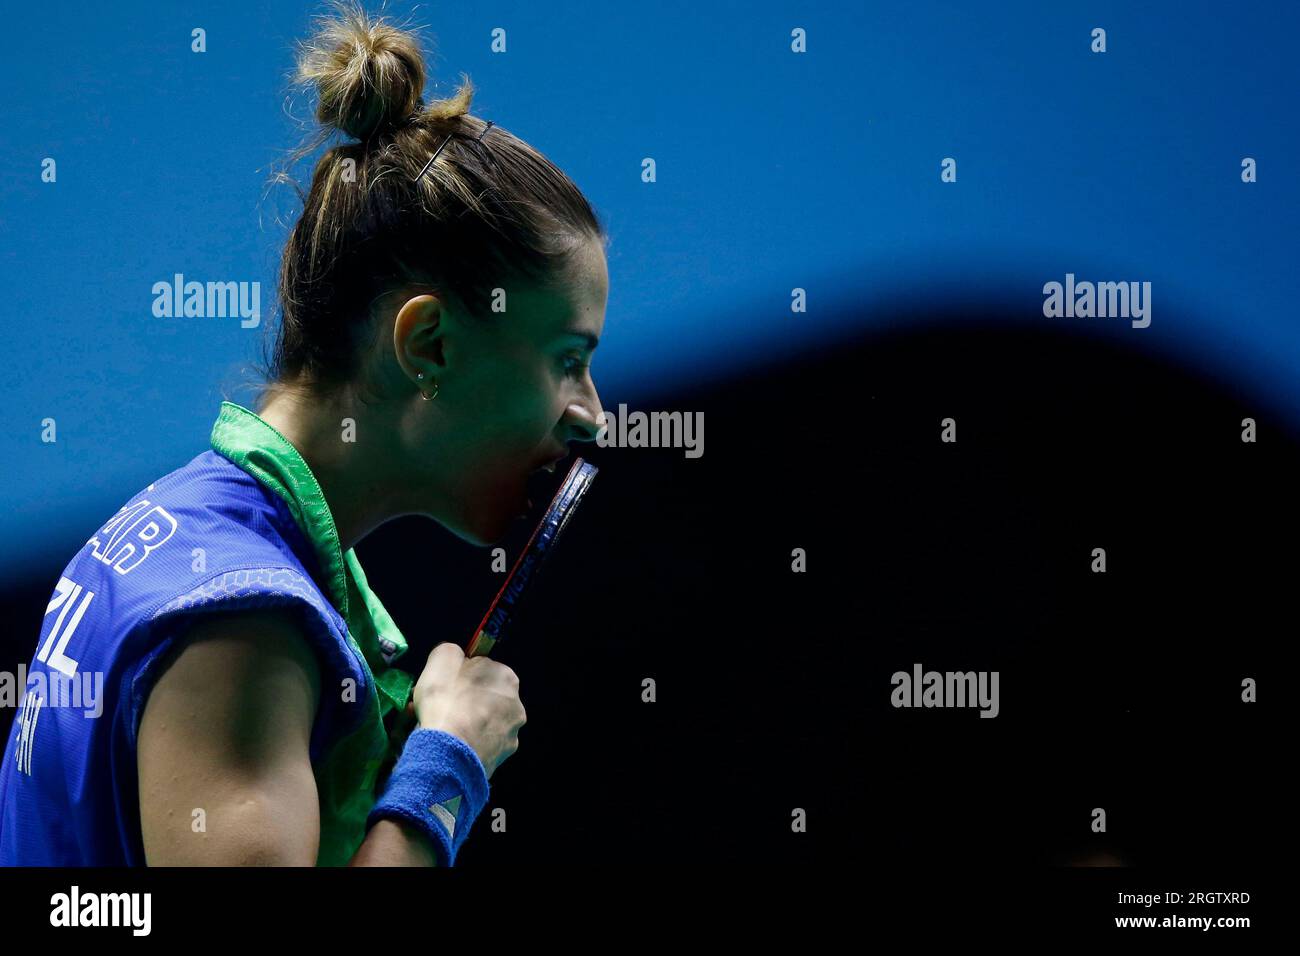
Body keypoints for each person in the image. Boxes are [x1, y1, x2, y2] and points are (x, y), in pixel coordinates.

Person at [0, 3, 608, 867]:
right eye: (566, 359)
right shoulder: (243, 617)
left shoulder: (180, 536)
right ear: (427, 345)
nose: (590, 410)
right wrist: (450, 767)